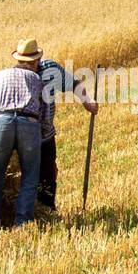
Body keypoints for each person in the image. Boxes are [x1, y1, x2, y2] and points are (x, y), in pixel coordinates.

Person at [0, 39, 51, 232]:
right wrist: (43, 138)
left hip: (0, 123)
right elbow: (46, 117)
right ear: (35, 62)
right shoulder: (38, 81)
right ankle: (22, 224)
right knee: (30, 177)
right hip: (29, 124)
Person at [35, 58, 99, 211]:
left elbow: (74, 83)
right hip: (27, 135)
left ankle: (47, 211)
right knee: (31, 176)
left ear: (37, 59)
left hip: (46, 133)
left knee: (49, 173)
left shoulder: (49, 68)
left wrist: (87, 101)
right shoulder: (19, 75)